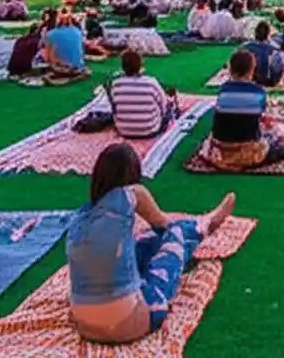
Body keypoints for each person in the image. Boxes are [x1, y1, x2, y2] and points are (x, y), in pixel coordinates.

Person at [67, 144, 236, 343]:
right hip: (131, 321)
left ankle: (191, 235)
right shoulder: (132, 194)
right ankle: (203, 226)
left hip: (85, 326)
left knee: (140, 242)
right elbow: (164, 224)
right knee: (175, 235)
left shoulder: (78, 219)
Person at [203, 49, 284, 171]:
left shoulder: (223, 90)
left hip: (220, 150)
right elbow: (263, 120)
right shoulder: (258, 92)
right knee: (282, 138)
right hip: (249, 152)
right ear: (252, 70)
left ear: (230, 70)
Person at [108, 50, 178, 138]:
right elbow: (163, 106)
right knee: (169, 110)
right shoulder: (151, 82)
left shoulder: (116, 84)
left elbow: (114, 108)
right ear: (140, 66)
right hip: (150, 130)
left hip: (123, 130)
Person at [241, 21, 284, 88]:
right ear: (268, 34)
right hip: (266, 81)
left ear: (255, 33)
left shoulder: (245, 46)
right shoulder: (274, 49)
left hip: (246, 79)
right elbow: (277, 69)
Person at [43, 12, 87, 76]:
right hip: (79, 66)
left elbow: (47, 58)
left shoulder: (50, 34)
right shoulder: (78, 31)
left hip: (62, 68)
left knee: (43, 51)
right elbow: (82, 51)